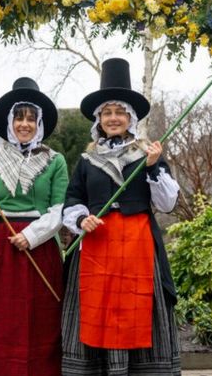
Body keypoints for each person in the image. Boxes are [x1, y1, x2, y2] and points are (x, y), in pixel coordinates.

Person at [61, 58, 181, 375]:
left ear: (131, 117)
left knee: (135, 311)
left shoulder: (147, 153)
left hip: (138, 247)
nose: (113, 118)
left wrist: (154, 166)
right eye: (107, 113)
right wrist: (81, 218)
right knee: (96, 314)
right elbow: (72, 198)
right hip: (97, 248)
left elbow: (168, 203)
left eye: (119, 112)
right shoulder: (88, 159)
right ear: (99, 119)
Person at [0, 77, 68, 376]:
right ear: (10, 121)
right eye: (19, 118)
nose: (25, 124)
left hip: (40, 249)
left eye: (31, 119)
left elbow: (59, 209)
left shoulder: (55, 161)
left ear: (39, 123)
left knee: (40, 318)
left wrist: (31, 236)